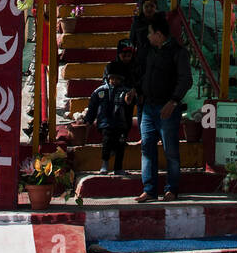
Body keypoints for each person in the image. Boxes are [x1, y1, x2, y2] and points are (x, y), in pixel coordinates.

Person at [136, 14, 191, 203]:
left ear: (159, 34)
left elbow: (186, 80)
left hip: (168, 107)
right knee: (147, 148)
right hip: (148, 107)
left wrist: (174, 101)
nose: (148, 37)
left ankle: (171, 189)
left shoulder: (178, 52)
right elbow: (142, 75)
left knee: (171, 151)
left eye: (151, 34)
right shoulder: (150, 51)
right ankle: (149, 189)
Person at [82, 67, 132, 175]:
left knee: (120, 145)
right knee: (106, 142)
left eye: (117, 79)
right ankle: (105, 164)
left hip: (121, 123)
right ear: (108, 78)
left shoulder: (125, 92)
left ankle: (118, 168)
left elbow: (130, 105)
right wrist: (88, 120)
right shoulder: (100, 91)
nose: (114, 81)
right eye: (112, 78)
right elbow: (92, 108)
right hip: (105, 123)